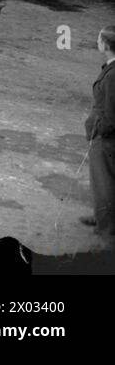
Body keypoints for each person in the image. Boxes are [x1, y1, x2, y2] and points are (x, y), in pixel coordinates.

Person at [82, 25, 115, 238]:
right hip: (106, 133)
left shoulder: (112, 75)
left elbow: (112, 113)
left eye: (99, 39)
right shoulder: (111, 68)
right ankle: (103, 216)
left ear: (105, 44)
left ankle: (106, 228)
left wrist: (98, 130)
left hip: (106, 136)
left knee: (103, 180)